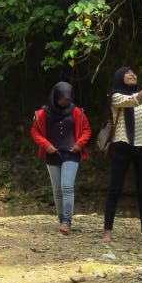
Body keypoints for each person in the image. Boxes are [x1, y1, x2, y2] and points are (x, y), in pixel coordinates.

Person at [102, 67, 142, 247]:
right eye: (128, 73)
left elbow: (139, 99)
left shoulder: (140, 96)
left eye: (133, 73)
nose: (132, 75)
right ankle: (107, 231)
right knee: (115, 189)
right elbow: (134, 101)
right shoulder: (114, 96)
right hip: (122, 145)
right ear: (119, 77)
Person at [30, 81, 92, 234]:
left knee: (67, 187)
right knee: (57, 190)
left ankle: (66, 222)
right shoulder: (43, 113)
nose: (66, 101)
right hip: (52, 154)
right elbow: (35, 132)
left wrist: (79, 144)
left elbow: (87, 130)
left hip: (71, 153)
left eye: (68, 99)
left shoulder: (77, 112)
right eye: (63, 99)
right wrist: (46, 145)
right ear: (55, 97)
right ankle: (61, 219)